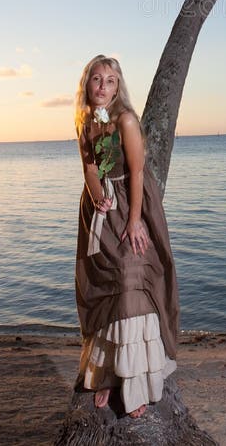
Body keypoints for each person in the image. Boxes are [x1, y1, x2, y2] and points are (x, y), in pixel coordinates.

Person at [74, 54, 179, 419]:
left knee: (130, 274)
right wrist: (95, 197)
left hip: (132, 203)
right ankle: (108, 374)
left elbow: (136, 173)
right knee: (106, 282)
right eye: (97, 79)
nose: (102, 87)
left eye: (110, 81)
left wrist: (134, 222)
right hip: (101, 207)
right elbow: (88, 166)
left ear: (118, 88)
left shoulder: (126, 121)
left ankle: (135, 381)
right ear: (87, 84)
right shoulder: (86, 122)